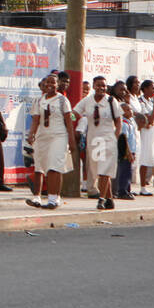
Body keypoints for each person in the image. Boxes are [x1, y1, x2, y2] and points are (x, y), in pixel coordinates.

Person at [25, 73, 76, 209]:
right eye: (47, 82)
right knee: (41, 167)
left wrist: (71, 139)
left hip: (58, 136)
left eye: (52, 83)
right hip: (43, 137)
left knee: (55, 166)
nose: (49, 85)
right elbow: (35, 120)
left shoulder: (62, 100)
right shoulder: (38, 100)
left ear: (57, 84)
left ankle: (54, 198)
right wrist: (31, 135)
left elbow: (68, 121)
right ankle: (38, 197)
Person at [75, 75, 122, 210]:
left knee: (104, 170)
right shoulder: (87, 101)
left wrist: (116, 136)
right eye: (99, 85)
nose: (101, 88)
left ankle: (101, 199)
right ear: (94, 86)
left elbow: (118, 121)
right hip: (94, 140)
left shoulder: (111, 101)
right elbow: (75, 112)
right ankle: (109, 199)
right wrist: (67, 117)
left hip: (108, 139)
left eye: (104, 86)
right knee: (98, 170)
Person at [133, 79, 154, 195]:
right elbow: (148, 119)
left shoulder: (151, 101)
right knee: (145, 159)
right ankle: (143, 186)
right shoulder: (141, 102)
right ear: (145, 89)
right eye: (152, 88)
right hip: (145, 134)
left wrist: (152, 121)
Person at [111, 81, 138, 200]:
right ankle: (121, 191)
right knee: (123, 172)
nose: (131, 112)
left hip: (131, 151)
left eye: (131, 109)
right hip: (125, 153)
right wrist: (128, 153)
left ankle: (127, 189)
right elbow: (124, 139)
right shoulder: (124, 124)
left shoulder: (130, 122)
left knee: (128, 172)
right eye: (128, 110)